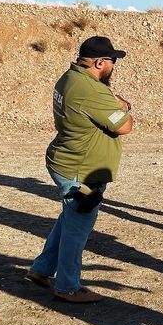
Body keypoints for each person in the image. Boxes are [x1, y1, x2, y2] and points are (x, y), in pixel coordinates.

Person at [26, 35, 134, 303]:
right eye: (112, 61)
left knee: (69, 220)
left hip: (69, 161)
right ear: (99, 62)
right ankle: (67, 287)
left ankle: (41, 269)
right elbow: (124, 126)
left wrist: (112, 101)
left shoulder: (69, 78)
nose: (113, 66)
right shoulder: (92, 91)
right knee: (78, 229)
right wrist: (125, 107)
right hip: (82, 171)